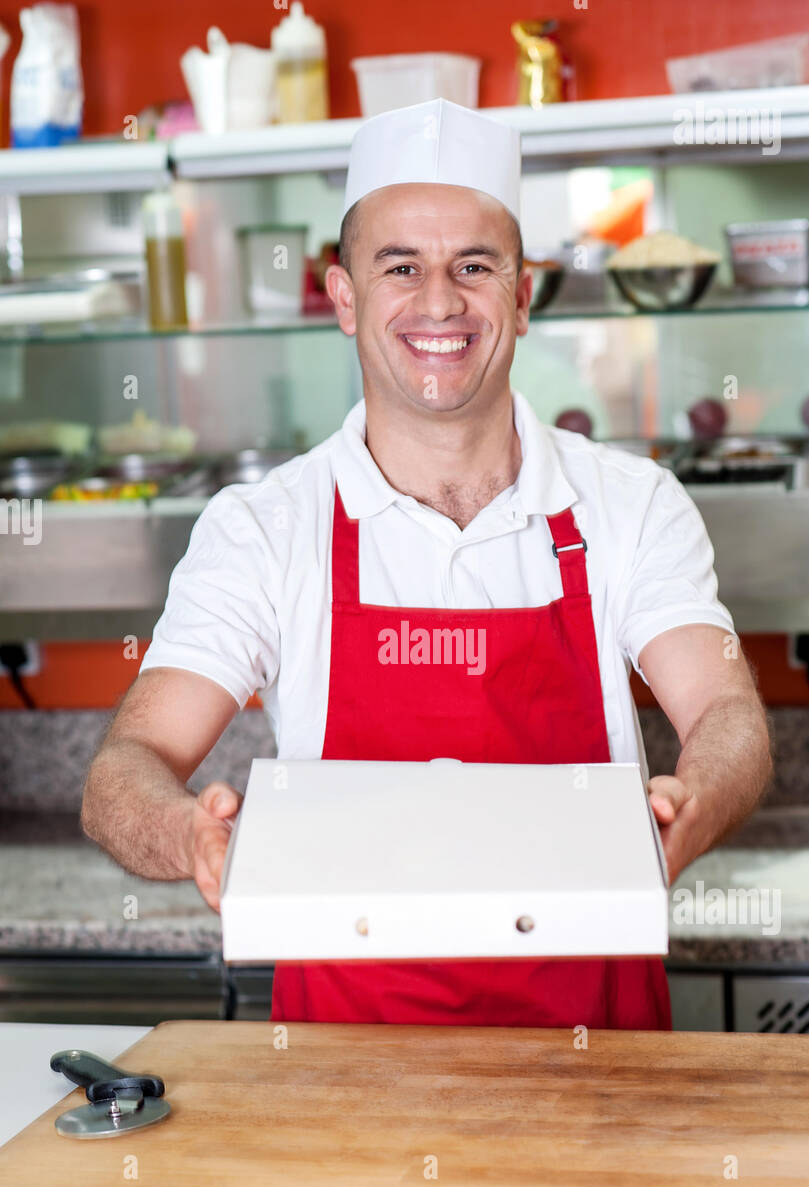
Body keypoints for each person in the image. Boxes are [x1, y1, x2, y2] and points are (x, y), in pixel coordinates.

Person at [82, 99, 771, 1028]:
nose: (439, 301)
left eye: (473, 267)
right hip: (346, 1063)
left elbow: (726, 711)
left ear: (522, 298)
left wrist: (695, 803)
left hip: (596, 1058)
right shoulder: (265, 525)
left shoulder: (628, 504)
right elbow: (126, 764)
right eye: (399, 266)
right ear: (343, 299)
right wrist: (183, 835)